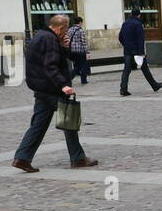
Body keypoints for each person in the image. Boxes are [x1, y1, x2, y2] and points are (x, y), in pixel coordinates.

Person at [12, 14, 98, 173]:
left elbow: (52, 59)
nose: (67, 33)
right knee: (69, 121)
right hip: (53, 89)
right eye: (66, 30)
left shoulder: (40, 36)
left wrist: (64, 47)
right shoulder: (50, 39)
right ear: (60, 28)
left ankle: (22, 158)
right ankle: (78, 158)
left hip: (41, 89)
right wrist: (63, 85)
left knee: (38, 125)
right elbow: (50, 66)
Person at [118, 8, 162, 96]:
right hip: (137, 51)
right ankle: (155, 86)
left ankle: (123, 89)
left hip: (127, 51)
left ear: (131, 14)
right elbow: (140, 40)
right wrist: (142, 53)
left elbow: (120, 37)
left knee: (126, 70)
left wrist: (126, 45)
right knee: (145, 69)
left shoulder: (125, 24)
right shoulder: (138, 24)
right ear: (139, 15)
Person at [67, 16, 89, 85]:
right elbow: (84, 42)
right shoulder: (80, 30)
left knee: (77, 65)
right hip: (80, 51)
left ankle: (69, 78)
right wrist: (87, 52)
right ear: (80, 22)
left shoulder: (70, 30)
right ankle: (83, 80)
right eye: (82, 22)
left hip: (72, 51)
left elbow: (67, 40)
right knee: (82, 65)